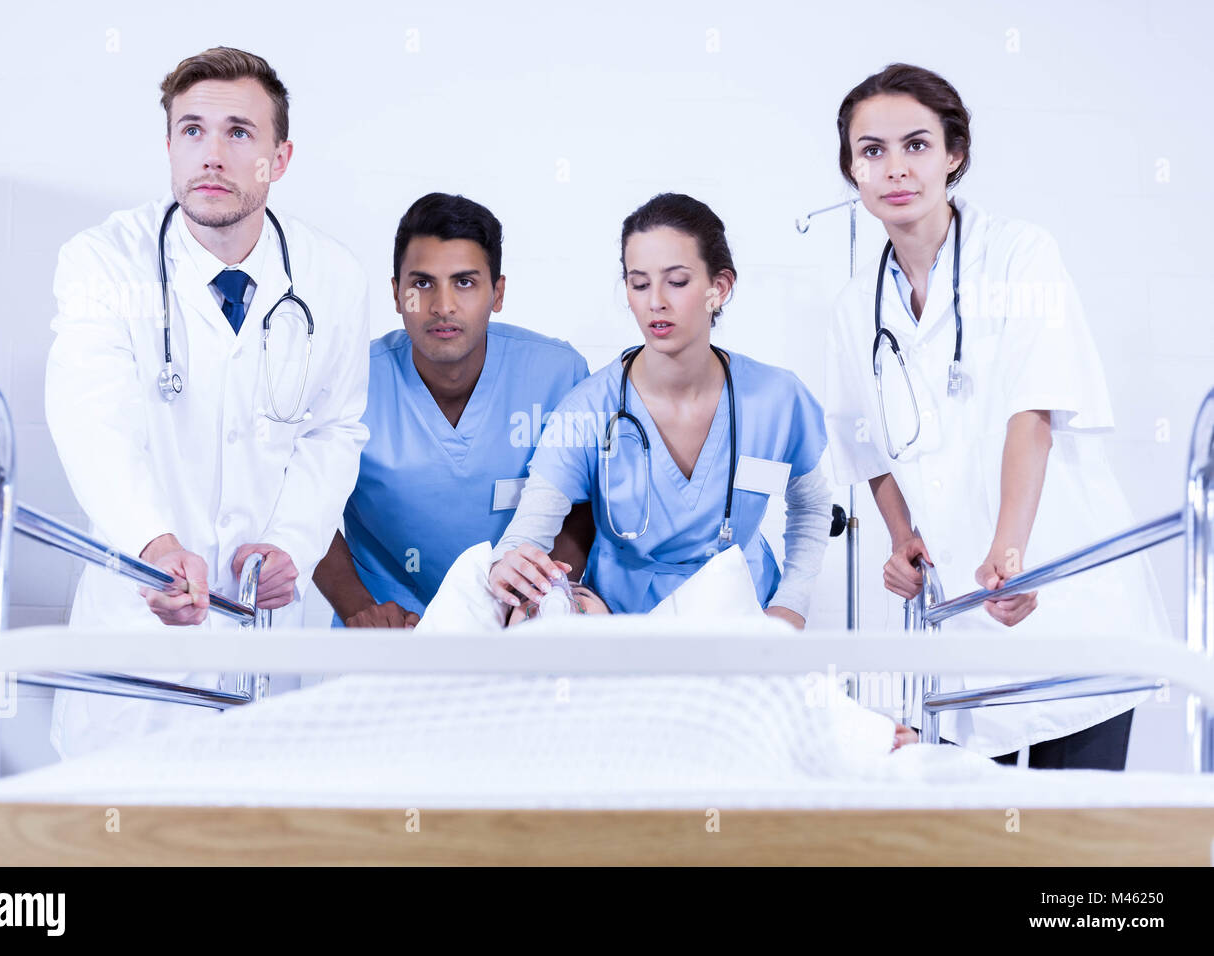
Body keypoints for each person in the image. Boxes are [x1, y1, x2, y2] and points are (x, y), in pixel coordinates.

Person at [823, 63, 1167, 769]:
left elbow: (1030, 410)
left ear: (954, 155)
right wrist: (902, 540)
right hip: (966, 633)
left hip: (1060, 598)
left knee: (1078, 851)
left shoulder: (1019, 255)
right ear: (852, 170)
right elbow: (868, 445)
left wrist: (1011, 552)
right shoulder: (856, 307)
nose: (895, 168)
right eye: (872, 150)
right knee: (987, 836)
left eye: (916, 145)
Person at [45, 47, 370, 757]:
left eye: (238, 132)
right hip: (138, 639)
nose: (212, 155)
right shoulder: (103, 261)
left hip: (263, 636)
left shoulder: (334, 277)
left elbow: (334, 431)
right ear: (168, 146)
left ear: (279, 158)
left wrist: (292, 543)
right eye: (191, 130)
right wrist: (151, 543)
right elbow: (89, 417)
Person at [489, 193, 831, 624]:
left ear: (718, 289)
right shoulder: (589, 410)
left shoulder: (777, 400)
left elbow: (812, 506)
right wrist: (507, 563)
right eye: (639, 283)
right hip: (624, 625)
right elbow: (529, 528)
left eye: (677, 281)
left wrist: (791, 604)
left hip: (742, 622)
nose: (655, 302)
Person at [313, 193, 593, 626]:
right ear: (396, 293)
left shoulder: (558, 374)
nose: (442, 306)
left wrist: (540, 595)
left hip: (516, 621)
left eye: (464, 282)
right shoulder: (347, 379)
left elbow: (583, 506)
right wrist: (359, 609)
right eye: (422, 283)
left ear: (497, 293)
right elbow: (303, 505)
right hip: (390, 626)